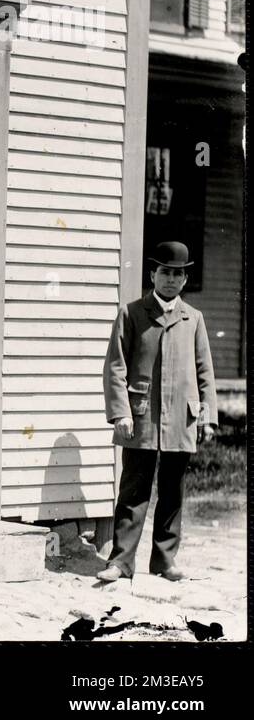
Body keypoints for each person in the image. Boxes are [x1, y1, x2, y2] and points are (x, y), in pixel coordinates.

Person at [97, 241, 216, 582]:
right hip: (141, 417)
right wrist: (121, 413)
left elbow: (204, 371)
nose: (171, 279)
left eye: (178, 274)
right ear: (152, 275)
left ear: (185, 279)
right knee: (134, 490)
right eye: (165, 272)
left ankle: (164, 560)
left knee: (172, 492)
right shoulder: (132, 313)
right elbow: (115, 368)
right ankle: (121, 562)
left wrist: (208, 417)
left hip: (181, 417)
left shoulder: (194, 318)